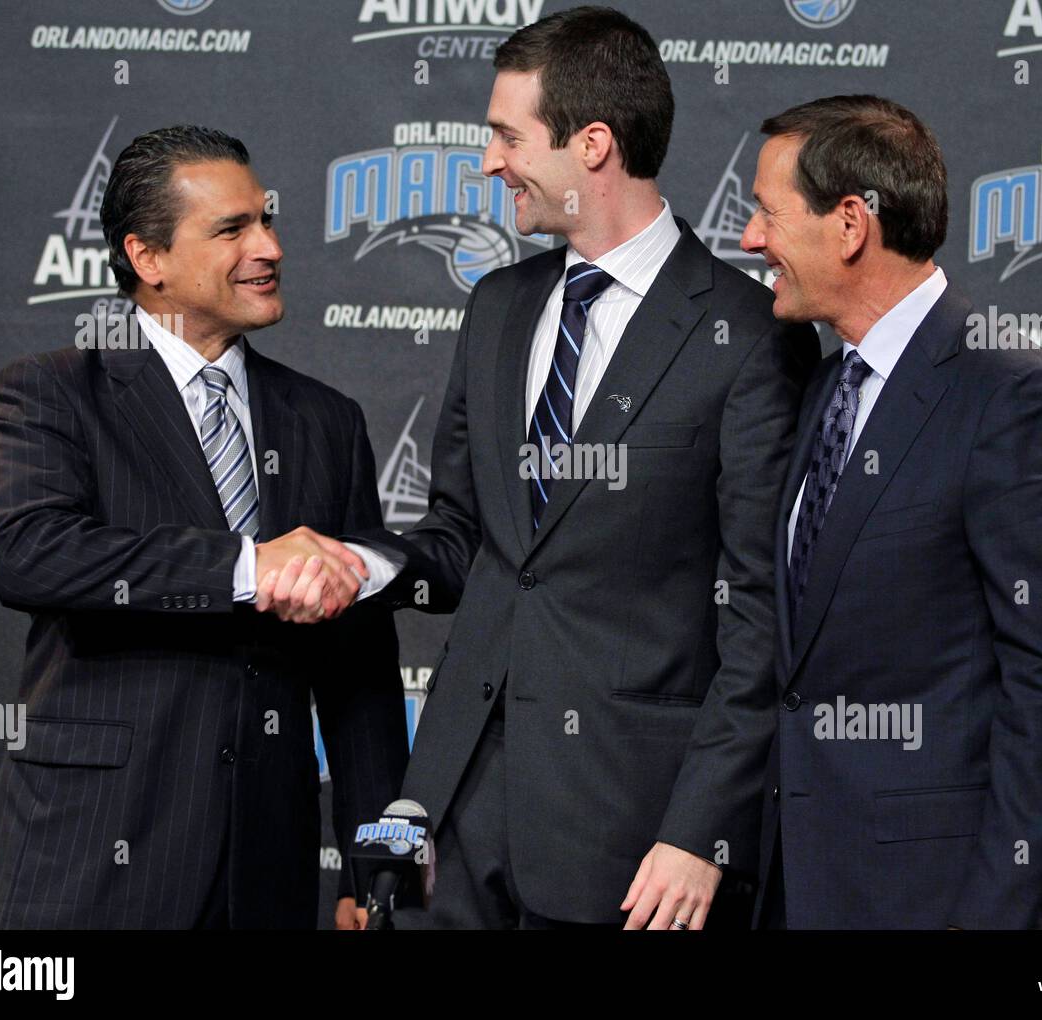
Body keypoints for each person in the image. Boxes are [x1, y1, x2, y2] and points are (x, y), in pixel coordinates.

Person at [340, 6, 818, 930]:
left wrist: (700, 832)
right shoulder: (497, 306)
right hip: (453, 821)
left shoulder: (749, 336)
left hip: (631, 836)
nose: (488, 162)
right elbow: (464, 537)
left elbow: (762, 613)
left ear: (592, 143)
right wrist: (367, 564)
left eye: (506, 136)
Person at [0, 125, 407, 929]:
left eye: (267, 220)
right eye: (233, 229)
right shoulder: (52, 392)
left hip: (263, 875)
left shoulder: (326, 421)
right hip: (89, 858)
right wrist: (250, 566)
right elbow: (30, 554)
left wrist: (375, 869)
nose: (269, 247)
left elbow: (360, 674)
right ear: (149, 259)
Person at [741, 95, 1042, 929]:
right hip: (797, 890)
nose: (750, 238)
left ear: (849, 224)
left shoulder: (1015, 399)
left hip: (936, 902)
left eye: (767, 212)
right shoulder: (827, 388)